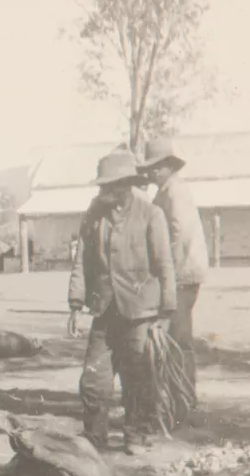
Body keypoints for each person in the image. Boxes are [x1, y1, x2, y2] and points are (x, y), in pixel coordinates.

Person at [67, 150, 176, 455]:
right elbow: (81, 261)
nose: (104, 192)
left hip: (141, 312)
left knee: (138, 376)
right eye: (102, 186)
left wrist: (165, 313)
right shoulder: (93, 215)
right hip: (104, 310)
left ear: (128, 184)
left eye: (111, 186)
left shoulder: (150, 214)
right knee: (93, 379)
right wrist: (76, 305)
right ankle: (94, 438)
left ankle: (137, 435)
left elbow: (166, 265)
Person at [137, 137, 207, 408]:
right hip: (179, 273)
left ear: (168, 166)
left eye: (157, 166)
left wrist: (169, 276)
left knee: (178, 340)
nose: (152, 171)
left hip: (182, 274)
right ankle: (180, 399)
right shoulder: (166, 190)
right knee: (174, 340)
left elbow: (178, 234)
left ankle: (184, 402)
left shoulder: (175, 192)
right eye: (150, 167)